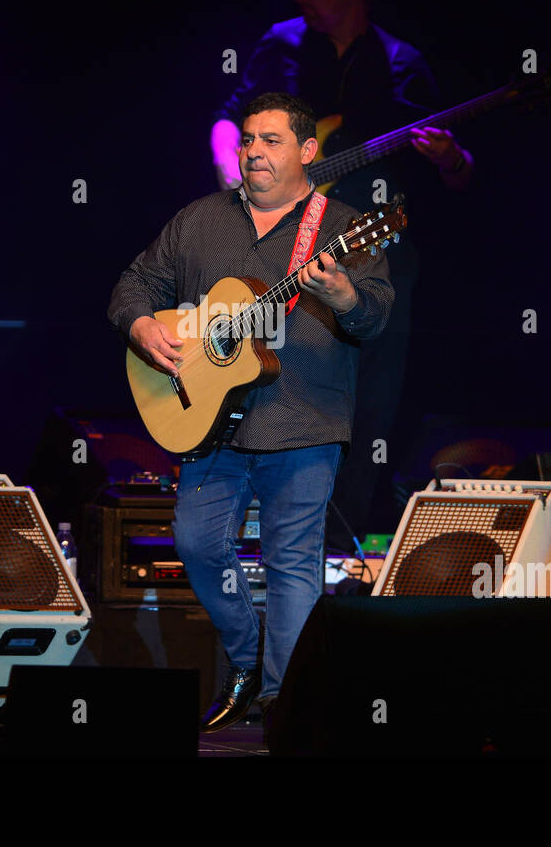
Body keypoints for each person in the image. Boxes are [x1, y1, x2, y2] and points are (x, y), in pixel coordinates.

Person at [109, 91, 393, 731]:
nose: (255, 152)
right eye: (248, 140)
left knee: (292, 560)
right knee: (195, 543)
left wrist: (346, 294)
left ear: (308, 152)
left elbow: (375, 315)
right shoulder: (198, 221)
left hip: (303, 422)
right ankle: (249, 652)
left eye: (271, 141)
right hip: (207, 421)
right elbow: (133, 285)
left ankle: (284, 705)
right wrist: (144, 327)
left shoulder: (345, 227)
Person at [211, 0, 474, 555]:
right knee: (278, 386)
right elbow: (228, 119)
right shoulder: (281, 46)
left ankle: (338, 548)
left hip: (375, 256)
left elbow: (461, 178)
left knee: (368, 408)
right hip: (285, 253)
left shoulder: (403, 64)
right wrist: (230, 169)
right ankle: (268, 541)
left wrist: (448, 157)